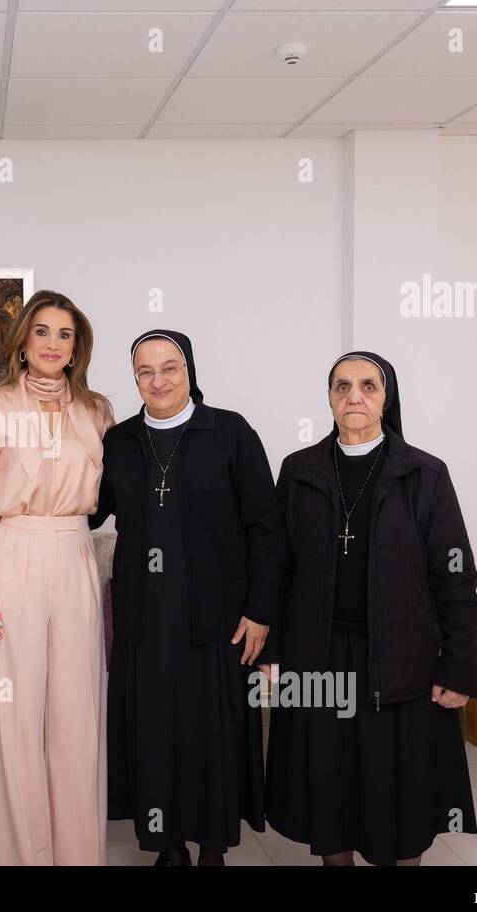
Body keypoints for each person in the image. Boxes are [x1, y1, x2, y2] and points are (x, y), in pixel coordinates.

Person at [265, 351, 477, 866]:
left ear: (387, 397)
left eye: (367, 385)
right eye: (341, 387)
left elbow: (454, 577)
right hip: (318, 655)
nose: (353, 396)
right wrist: (272, 651)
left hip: (400, 656)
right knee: (330, 785)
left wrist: (460, 666)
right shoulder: (299, 472)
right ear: (329, 399)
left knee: (399, 793)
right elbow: (276, 570)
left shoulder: (424, 474)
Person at [92, 329, 280, 866]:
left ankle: (213, 846)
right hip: (145, 620)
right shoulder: (120, 441)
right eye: (145, 371)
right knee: (155, 735)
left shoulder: (231, 432)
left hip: (219, 620)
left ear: (190, 370)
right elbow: (87, 508)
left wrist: (261, 611)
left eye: (169, 367)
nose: (158, 380)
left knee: (211, 737)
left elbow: (264, 528)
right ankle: (168, 845)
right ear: (134, 378)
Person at [0, 290, 115, 865]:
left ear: (77, 346)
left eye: (64, 334)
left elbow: (118, 495)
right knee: (14, 717)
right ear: (24, 340)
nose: (52, 344)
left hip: (74, 553)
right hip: (11, 556)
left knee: (76, 715)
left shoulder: (97, 411)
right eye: (41, 331)